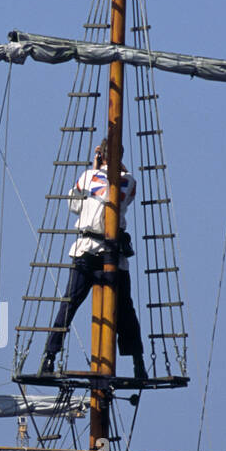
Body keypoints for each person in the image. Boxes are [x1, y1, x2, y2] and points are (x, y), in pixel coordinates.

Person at [39, 138, 146, 380]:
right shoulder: (129, 181)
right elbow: (123, 195)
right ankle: (139, 363)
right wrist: (108, 165)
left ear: (102, 156)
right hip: (112, 255)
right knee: (126, 311)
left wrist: (96, 167)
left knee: (69, 303)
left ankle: (49, 357)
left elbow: (74, 205)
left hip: (85, 249)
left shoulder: (87, 176)